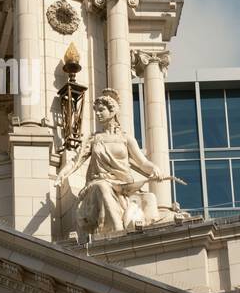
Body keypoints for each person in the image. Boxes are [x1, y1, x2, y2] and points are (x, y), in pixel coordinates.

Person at [57, 89, 178, 235]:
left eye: (101, 110)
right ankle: (117, 231)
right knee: (102, 187)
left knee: (150, 198)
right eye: (96, 111)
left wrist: (155, 169)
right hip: (99, 183)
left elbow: (142, 163)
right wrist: (61, 175)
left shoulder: (126, 139)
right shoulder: (94, 139)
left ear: (112, 111)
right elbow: (76, 161)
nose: (97, 114)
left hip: (123, 186)